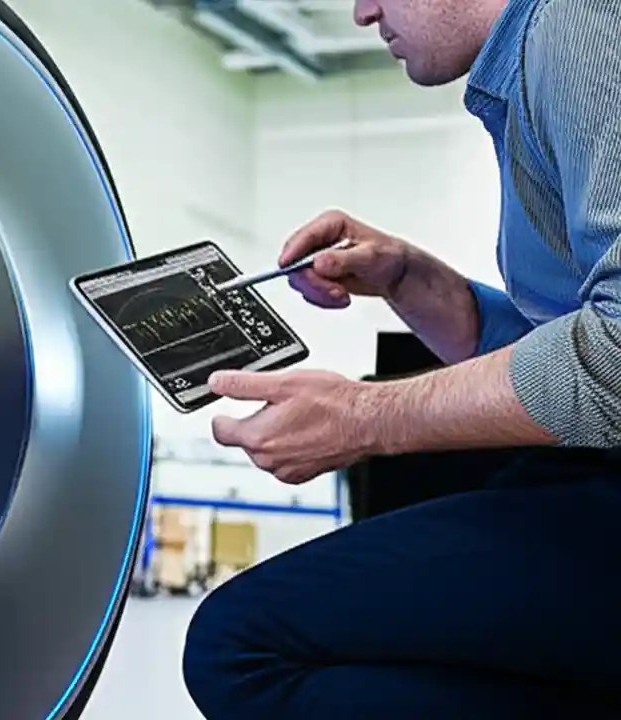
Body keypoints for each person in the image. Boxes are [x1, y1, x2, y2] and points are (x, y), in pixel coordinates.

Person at [182, 0, 621, 717]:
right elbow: (571, 352)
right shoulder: (529, 71)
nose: (362, 13)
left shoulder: (578, 24)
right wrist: (416, 281)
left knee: (243, 647)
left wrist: (364, 418)